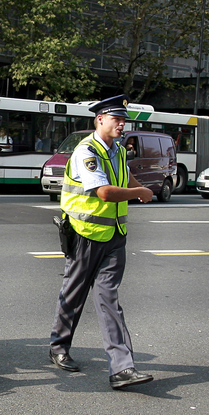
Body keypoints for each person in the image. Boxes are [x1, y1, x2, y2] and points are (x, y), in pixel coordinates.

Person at [49, 94, 154, 390]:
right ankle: (58, 347)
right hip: (85, 234)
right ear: (100, 120)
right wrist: (139, 194)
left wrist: (139, 186)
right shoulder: (87, 152)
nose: (122, 125)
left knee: (109, 300)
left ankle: (123, 368)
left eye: (124, 120)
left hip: (115, 236)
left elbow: (125, 175)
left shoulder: (118, 150)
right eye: (116, 119)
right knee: (74, 293)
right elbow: (104, 192)